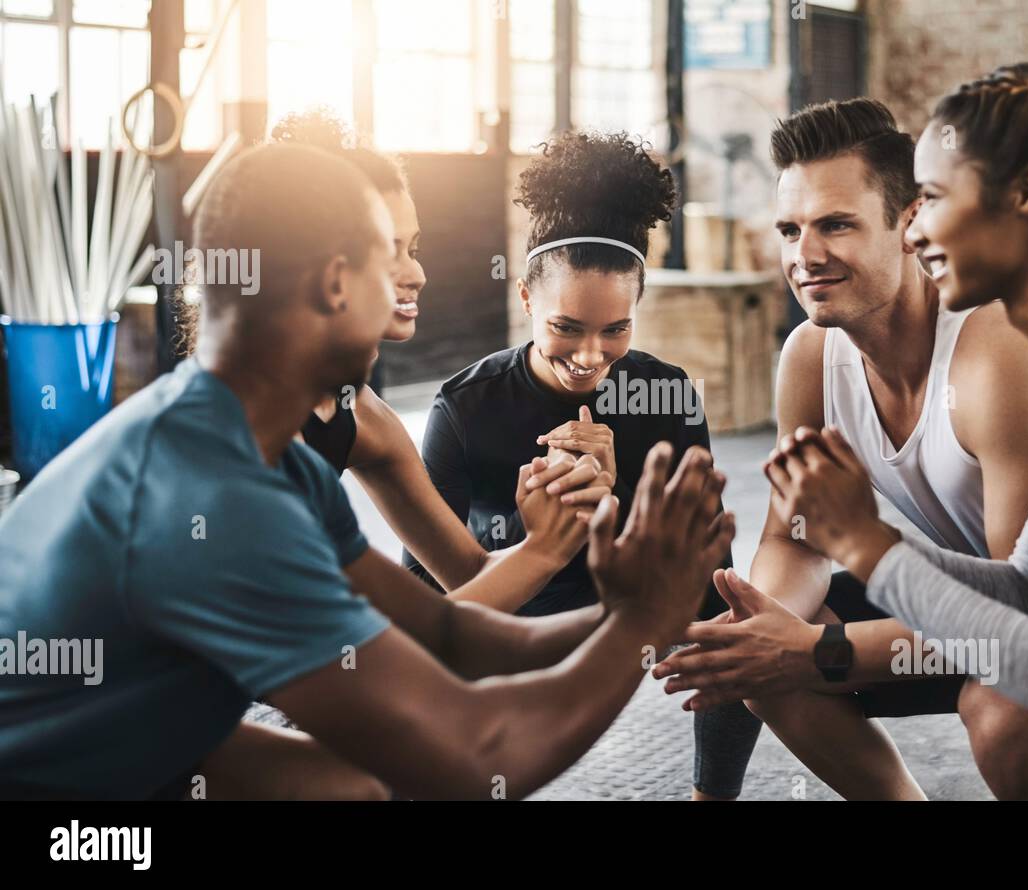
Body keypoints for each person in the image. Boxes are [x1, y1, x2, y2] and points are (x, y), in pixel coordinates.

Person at [0, 142, 734, 800]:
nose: (415, 274)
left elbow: (452, 635)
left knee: (358, 789)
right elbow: (476, 751)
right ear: (335, 284)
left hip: (129, 744)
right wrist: (642, 619)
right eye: (394, 252)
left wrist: (626, 607)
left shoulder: (263, 447)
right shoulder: (213, 493)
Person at [653, 94, 1028, 800]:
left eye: (835, 226)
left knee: (1008, 704)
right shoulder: (811, 356)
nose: (804, 256)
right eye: (790, 229)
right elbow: (798, 539)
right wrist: (768, 628)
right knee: (763, 649)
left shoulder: (996, 351)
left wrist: (817, 650)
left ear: (910, 225)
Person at [403, 130, 762, 800]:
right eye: (567, 327)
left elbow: (706, 567)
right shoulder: (464, 408)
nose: (591, 356)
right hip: (514, 603)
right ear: (527, 299)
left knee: (734, 629)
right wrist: (531, 527)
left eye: (616, 330)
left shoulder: (666, 394)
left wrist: (616, 504)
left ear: (635, 312)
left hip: (633, 595)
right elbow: (423, 598)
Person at [275, 110, 605, 603]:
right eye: (391, 250)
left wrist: (552, 533)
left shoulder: (358, 414)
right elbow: (381, 660)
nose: (417, 273)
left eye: (414, 247)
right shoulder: (247, 427)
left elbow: (469, 578)